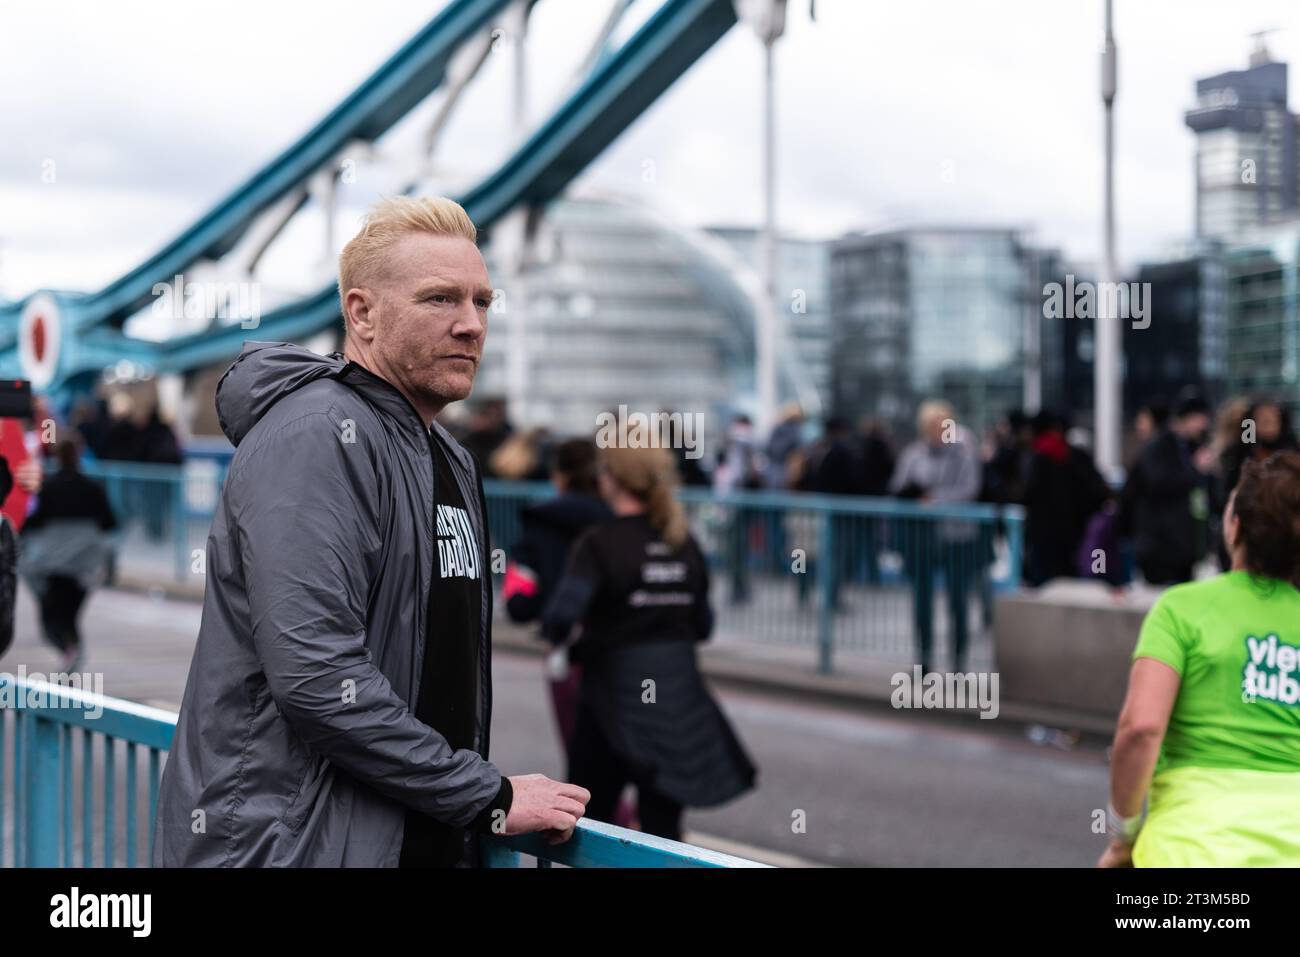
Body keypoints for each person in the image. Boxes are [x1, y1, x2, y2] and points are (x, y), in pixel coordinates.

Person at [154, 196, 589, 868]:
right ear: (361, 313)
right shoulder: (317, 436)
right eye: (440, 299)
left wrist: (469, 803)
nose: (471, 325)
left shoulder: (447, 455)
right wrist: (488, 793)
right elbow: (317, 675)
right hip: (291, 848)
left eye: (482, 301)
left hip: (410, 839)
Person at [542, 445, 757, 841]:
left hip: (610, 700)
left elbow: (559, 619)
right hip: (676, 699)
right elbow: (703, 626)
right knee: (663, 833)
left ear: (613, 479)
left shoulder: (599, 542)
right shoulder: (683, 541)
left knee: (591, 826)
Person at [1100, 451, 1300, 867]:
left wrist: (1123, 837)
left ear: (1235, 528)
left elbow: (1140, 729)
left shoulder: (1182, 609)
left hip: (1193, 849)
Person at [889, 400, 982, 673]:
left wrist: (936, 500)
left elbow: (969, 490)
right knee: (922, 602)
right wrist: (915, 495)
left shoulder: (964, 454)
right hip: (923, 537)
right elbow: (897, 485)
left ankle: (958, 661)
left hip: (957, 535)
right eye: (933, 424)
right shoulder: (913, 454)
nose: (939, 429)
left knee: (958, 601)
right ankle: (924, 659)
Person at [19, 439, 117, 671]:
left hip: (54, 564)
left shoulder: (48, 488)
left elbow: (33, 522)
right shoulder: (93, 488)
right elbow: (110, 522)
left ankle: (69, 653)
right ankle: (71, 653)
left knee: (53, 616)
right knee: (70, 615)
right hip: (85, 565)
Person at [1119, 389, 1213, 585]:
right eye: (1198, 418)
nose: (1203, 424)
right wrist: (1196, 470)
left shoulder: (1193, 447)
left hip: (1185, 547)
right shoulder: (1161, 447)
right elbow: (1159, 484)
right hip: (1161, 547)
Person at [1021, 411, 1109, 587]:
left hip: (1043, 535)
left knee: (1043, 584)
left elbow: (1027, 493)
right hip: (1074, 532)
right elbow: (1098, 490)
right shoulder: (1075, 455)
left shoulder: (1036, 457)